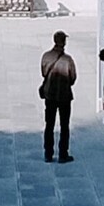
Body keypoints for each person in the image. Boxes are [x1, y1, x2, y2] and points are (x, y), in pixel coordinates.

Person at [39, 31, 76, 163]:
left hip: (50, 95)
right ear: (64, 42)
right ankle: (63, 154)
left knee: (49, 124)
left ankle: (48, 153)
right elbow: (72, 78)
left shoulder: (46, 56)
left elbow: (43, 73)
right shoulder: (68, 60)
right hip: (65, 96)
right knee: (64, 125)